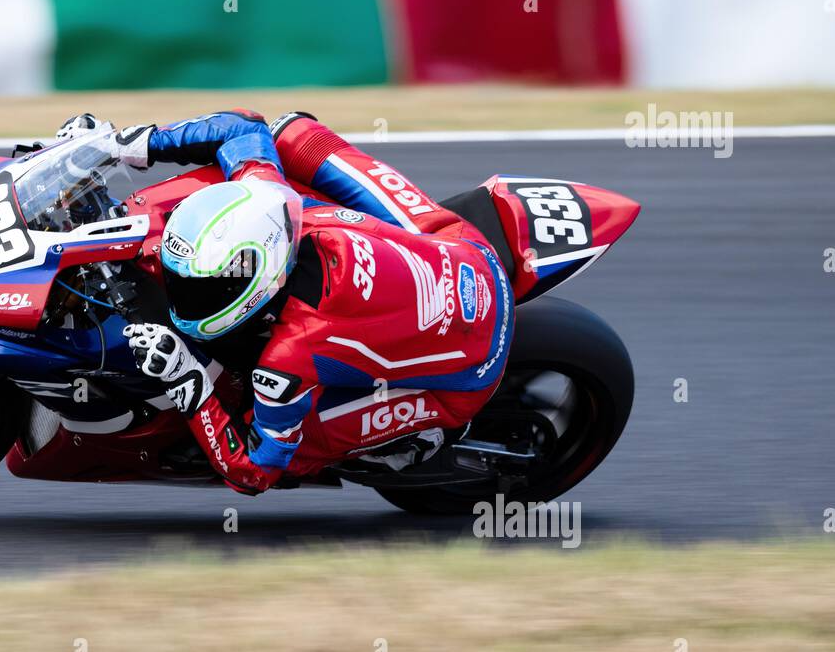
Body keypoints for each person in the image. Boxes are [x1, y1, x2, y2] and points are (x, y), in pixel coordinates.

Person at [55, 110, 515, 495]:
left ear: (260, 282)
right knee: (289, 131)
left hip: (471, 370)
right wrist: (122, 145)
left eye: (204, 288)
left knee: (289, 452)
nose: (182, 295)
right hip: (459, 244)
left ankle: (418, 439)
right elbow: (242, 129)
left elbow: (253, 473)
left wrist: (187, 378)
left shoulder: (290, 356)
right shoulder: (270, 197)